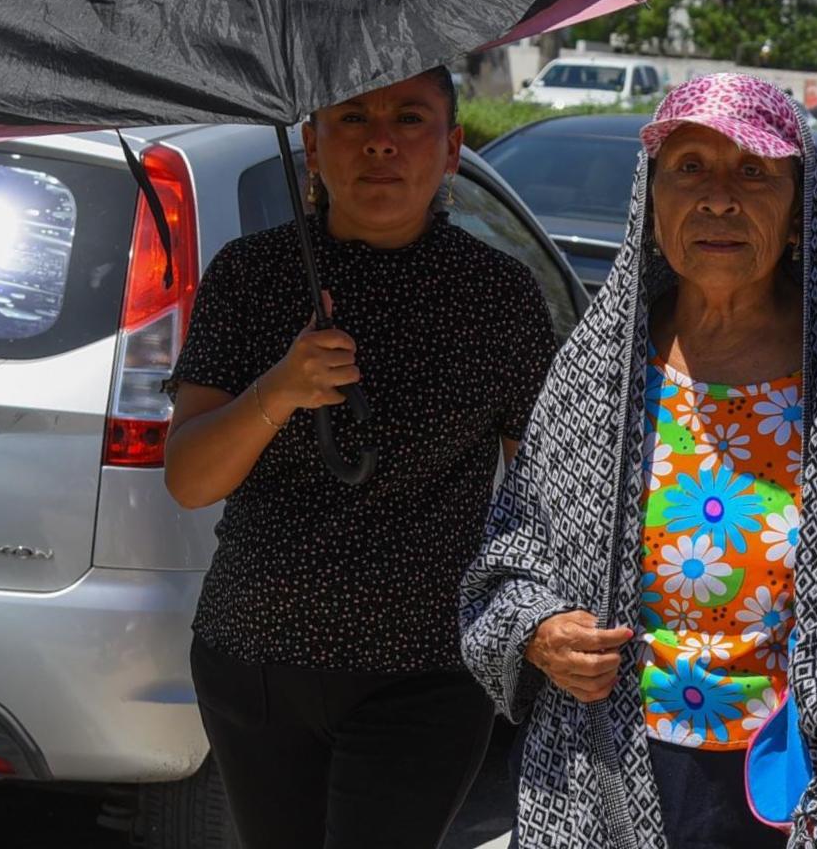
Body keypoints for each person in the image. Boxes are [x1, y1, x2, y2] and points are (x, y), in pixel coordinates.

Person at [460, 73, 817, 848]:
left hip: (812, 785)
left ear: (799, 208)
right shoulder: (601, 373)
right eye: (690, 168)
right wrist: (539, 630)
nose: (718, 199)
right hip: (614, 772)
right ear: (653, 199)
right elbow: (510, 556)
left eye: (753, 173)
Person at [163, 67, 558, 849]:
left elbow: (544, 494)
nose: (380, 140)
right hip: (258, 661)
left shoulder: (500, 297)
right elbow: (190, 479)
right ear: (311, 147)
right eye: (351, 119)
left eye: (410, 119)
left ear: (452, 150)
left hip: (427, 673)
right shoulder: (251, 276)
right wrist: (281, 388)